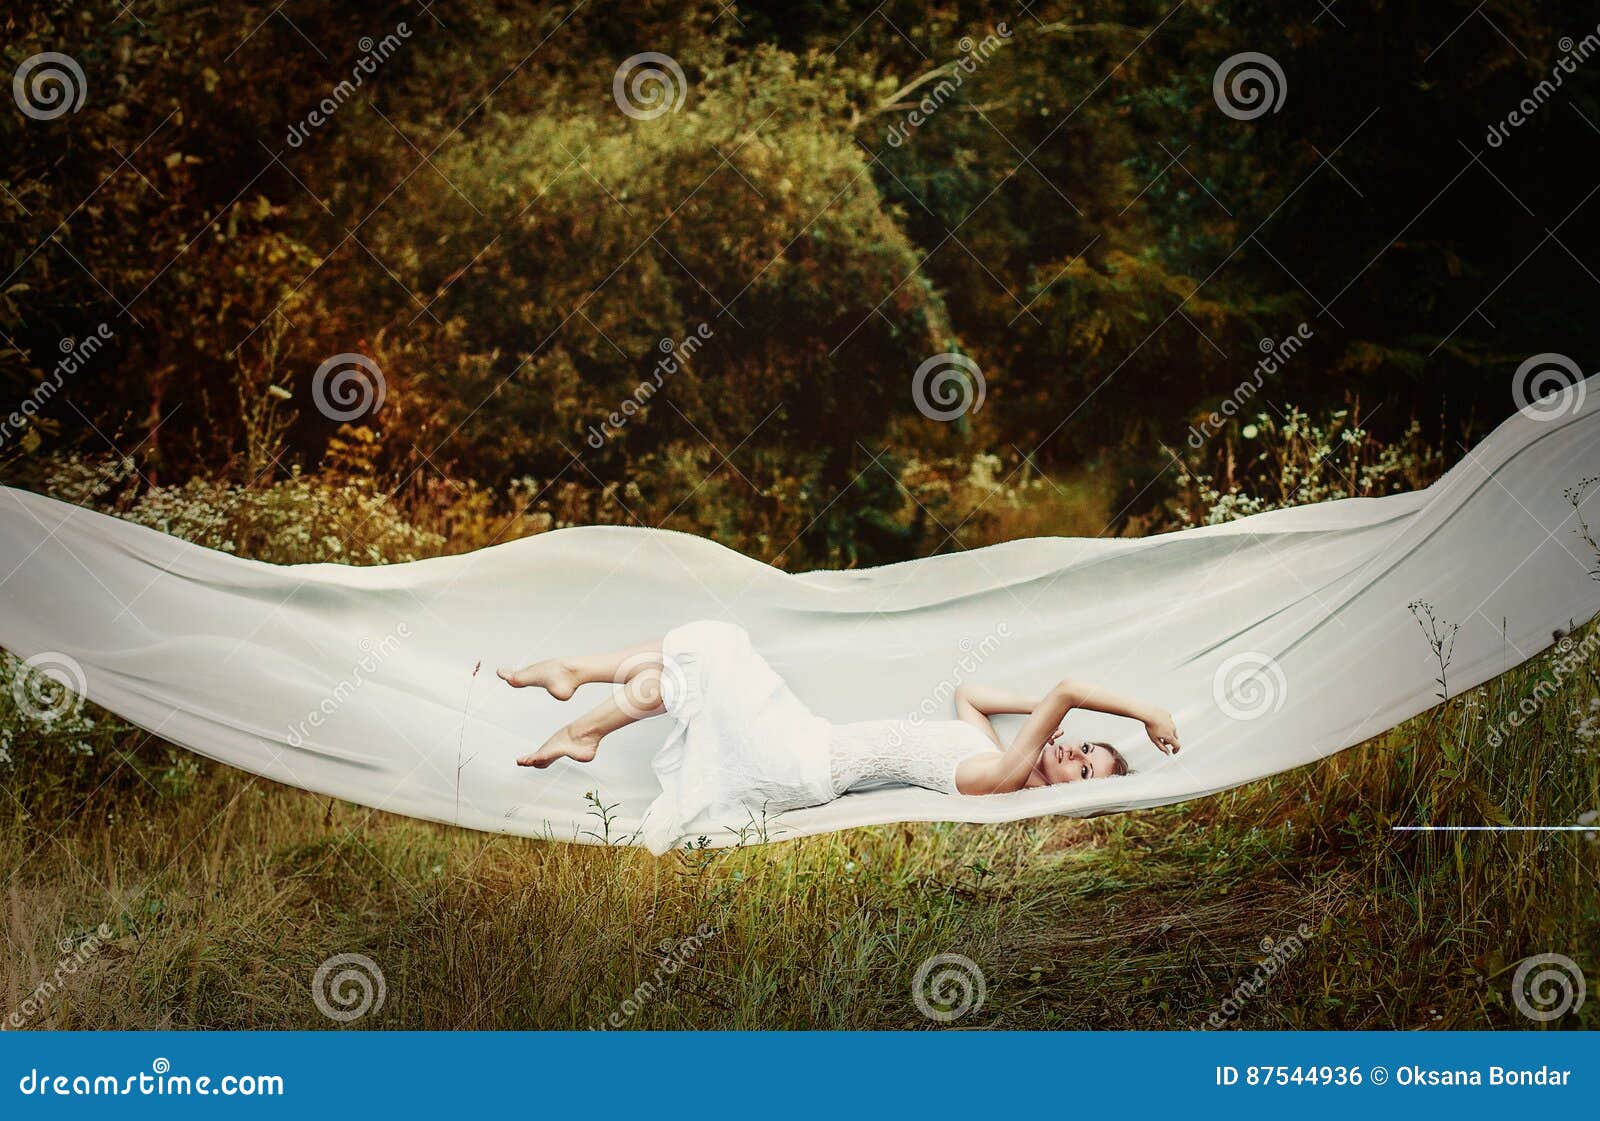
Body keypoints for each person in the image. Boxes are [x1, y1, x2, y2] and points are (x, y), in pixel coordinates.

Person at [498, 621, 1179, 814]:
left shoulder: (998, 778)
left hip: (799, 766)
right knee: (708, 650)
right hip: (806, 739)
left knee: (712, 649)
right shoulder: (989, 747)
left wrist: (1147, 711)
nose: (1073, 754)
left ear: (1069, 792)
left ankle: (578, 700)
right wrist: (1044, 720)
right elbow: (971, 693)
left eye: (1085, 769)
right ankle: (579, 710)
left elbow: (1065, 686)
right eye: (1085, 746)